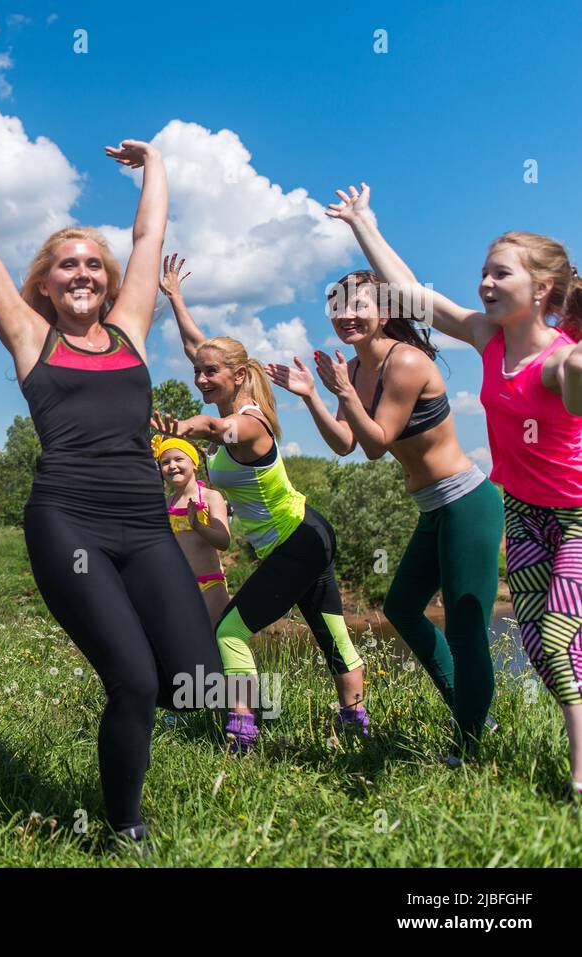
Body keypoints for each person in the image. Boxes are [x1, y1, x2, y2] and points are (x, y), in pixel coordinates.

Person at [0, 108, 223, 850]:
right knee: (131, 678)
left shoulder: (131, 327)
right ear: (45, 280)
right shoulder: (31, 337)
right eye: (66, 264)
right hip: (68, 520)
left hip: (144, 522)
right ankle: (124, 827)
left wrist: (155, 163)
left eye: (91, 264)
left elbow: (147, 239)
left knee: (198, 681)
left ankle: (137, 714)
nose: (82, 272)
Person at [327, 182, 582, 794]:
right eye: (484, 273)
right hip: (522, 512)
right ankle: (490, 728)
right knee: (540, 647)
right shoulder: (489, 340)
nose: (485, 285)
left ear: (541, 290)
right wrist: (363, 222)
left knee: (542, 634)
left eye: (500, 275)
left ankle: (556, 770)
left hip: (572, 515)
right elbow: (414, 296)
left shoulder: (564, 361)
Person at [266, 265, 502, 764]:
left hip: (467, 502)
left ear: (387, 310)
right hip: (432, 508)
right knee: (401, 609)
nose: (347, 315)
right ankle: (471, 710)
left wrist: (343, 393)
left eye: (359, 305)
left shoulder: (407, 363)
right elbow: (346, 443)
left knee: (464, 626)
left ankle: (471, 748)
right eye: (339, 306)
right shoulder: (351, 369)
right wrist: (312, 396)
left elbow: (377, 445)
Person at [156, 257, 367, 753]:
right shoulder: (230, 395)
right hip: (307, 535)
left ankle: (242, 731)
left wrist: (185, 428)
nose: (201, 379)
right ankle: (356, 725)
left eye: (211, 373)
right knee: (330, 629)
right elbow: (196, 347)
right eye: (197, 373)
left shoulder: (248, 422)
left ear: (236, 375)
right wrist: (175, 298)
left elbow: (215, 430)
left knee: (230, 630)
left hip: (298, 540)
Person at [152, 433, 231, 624]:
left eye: (179, 459)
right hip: (176, 586)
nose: (172, 466)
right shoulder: (164, 504)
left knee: (213, 641)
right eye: (165, 462)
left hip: (210, 585)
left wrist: (198, 526)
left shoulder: (211, 497)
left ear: (194, 463)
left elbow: (224, 542)